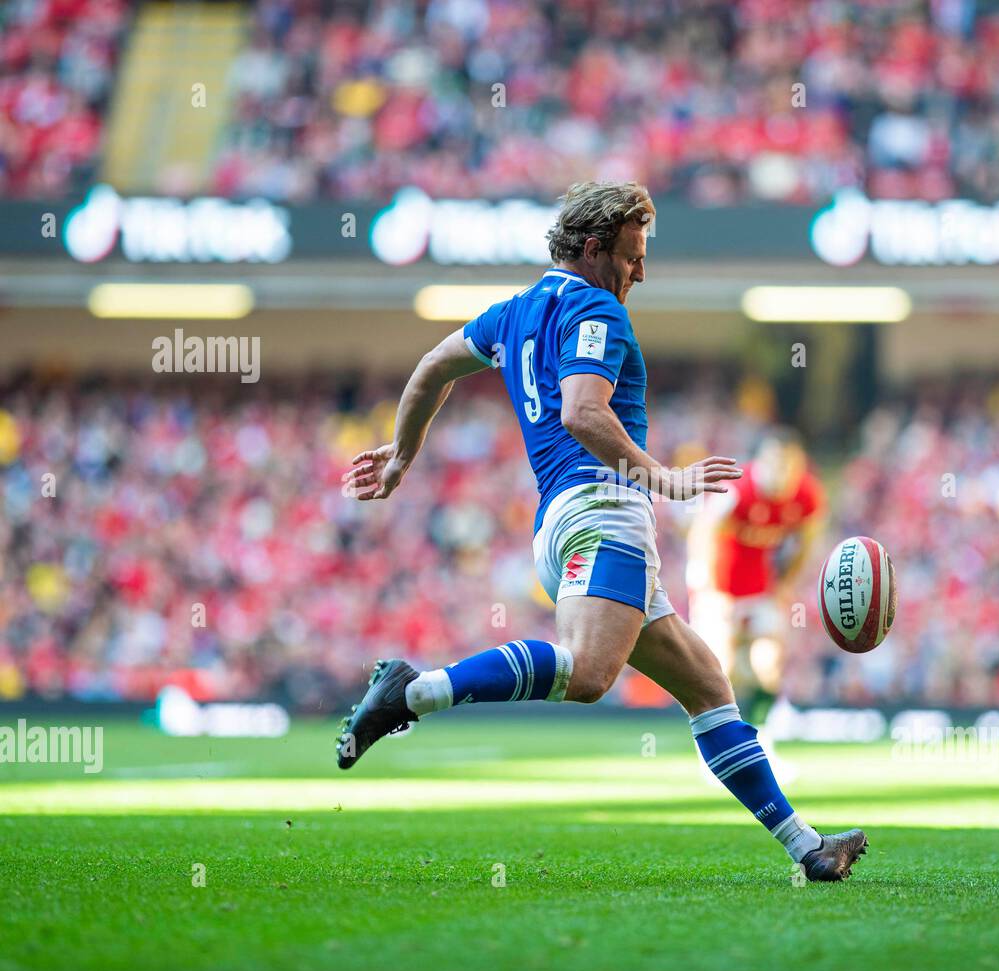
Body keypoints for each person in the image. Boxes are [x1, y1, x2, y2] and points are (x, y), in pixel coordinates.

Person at [336, 181, 866, 880]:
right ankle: (412, 691)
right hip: (602, 510)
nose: (640, 271)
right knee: (588, 673)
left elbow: (435, 367)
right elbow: (585, 413)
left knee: (709, 685)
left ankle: (807, 846)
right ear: (593, 249)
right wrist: (663, 477)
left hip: (568, 516)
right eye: (632, 254)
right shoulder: (595, 307)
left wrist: (403, 453)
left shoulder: (514, 312)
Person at [687, 428, 826, 775]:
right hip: (720, 590)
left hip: (761, 591)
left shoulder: (806, 494)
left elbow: (807, 541)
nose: (783, 473)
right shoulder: (738, 489)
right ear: (762, 462)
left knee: (768, 666)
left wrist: (786, 585)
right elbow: (704, 529)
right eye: (777, 464)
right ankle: (715, 757)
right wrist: (703, 582)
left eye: (790, 465)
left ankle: (763, 745)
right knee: (722, 671)